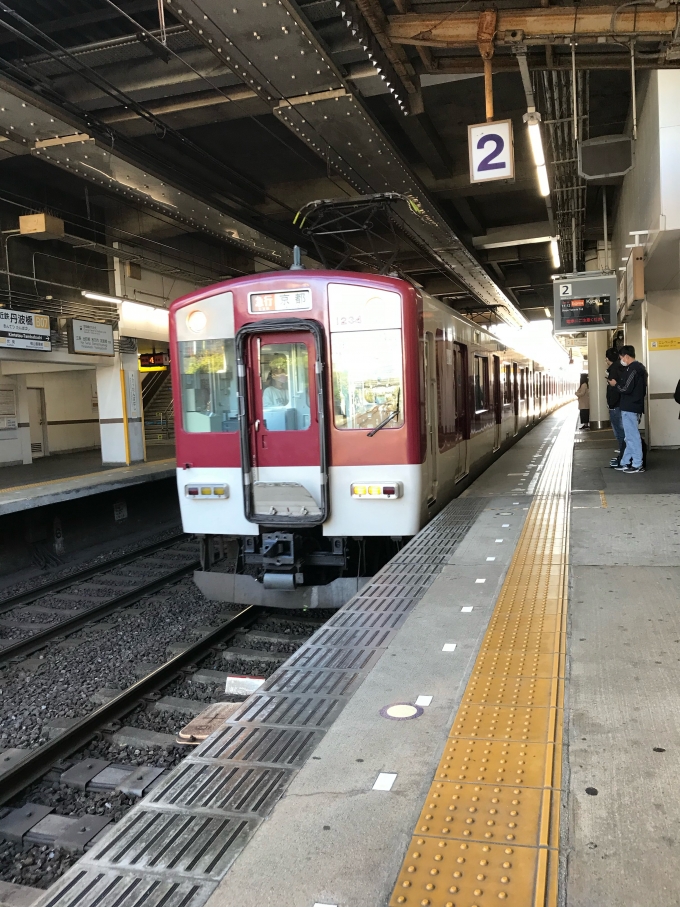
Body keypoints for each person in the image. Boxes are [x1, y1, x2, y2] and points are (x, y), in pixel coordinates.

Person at [610, 345, 647, 474]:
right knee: (629, 437)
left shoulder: (633, 369)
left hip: (630, 406)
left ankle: (637, 464)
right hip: (633, 406)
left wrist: (615, 385)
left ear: (626, 356)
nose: (622, 360)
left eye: (621, 358)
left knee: (632, 437)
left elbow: (626, 388)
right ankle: (625, 462)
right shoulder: (638, 368)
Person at [606, 348, 626, 467]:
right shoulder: (622, 368)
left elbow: (614, 391)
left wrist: (611, 405)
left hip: (616, 407)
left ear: (607, 359)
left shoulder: (613, 370)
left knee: (620, 434)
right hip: (621, 406)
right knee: (622, 433)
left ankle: (623, 458)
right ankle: (623, 457)